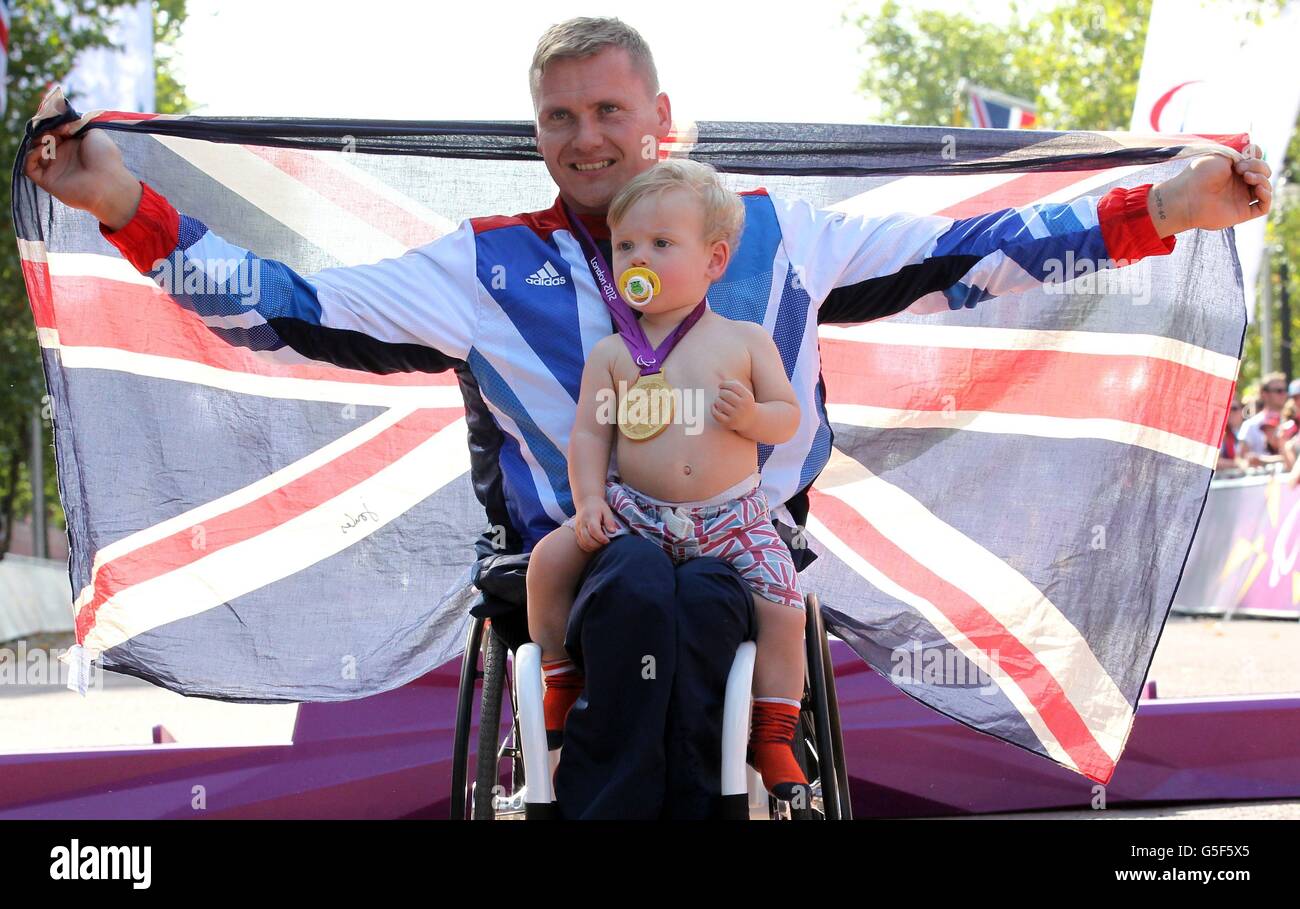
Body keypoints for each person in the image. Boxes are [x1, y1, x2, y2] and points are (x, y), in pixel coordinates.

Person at [23, 17, 1274, 819]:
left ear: (659, 120)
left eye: (611, 112)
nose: (587, 138)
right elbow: (282, 311)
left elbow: (983, 252)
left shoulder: (777, 235)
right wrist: (126, 203)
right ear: (538, 134)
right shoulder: (483, 267)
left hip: (743, 549)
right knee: (631, 584)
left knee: (681, 593)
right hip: (570, 569)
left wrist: (1165, 203)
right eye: (561, 118)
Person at [527, 159, 809, 801]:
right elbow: (593, 435)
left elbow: (788, 417)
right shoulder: (613, 354)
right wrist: (591, 500)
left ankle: (772, 728)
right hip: (638, 513)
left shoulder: (743, 340)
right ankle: (560, 673)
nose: (638, 259)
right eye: (625, 246)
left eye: (661, 244)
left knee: (784, 603)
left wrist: (752, 416)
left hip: (730, 518)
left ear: (714, 260)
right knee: (550, 559)